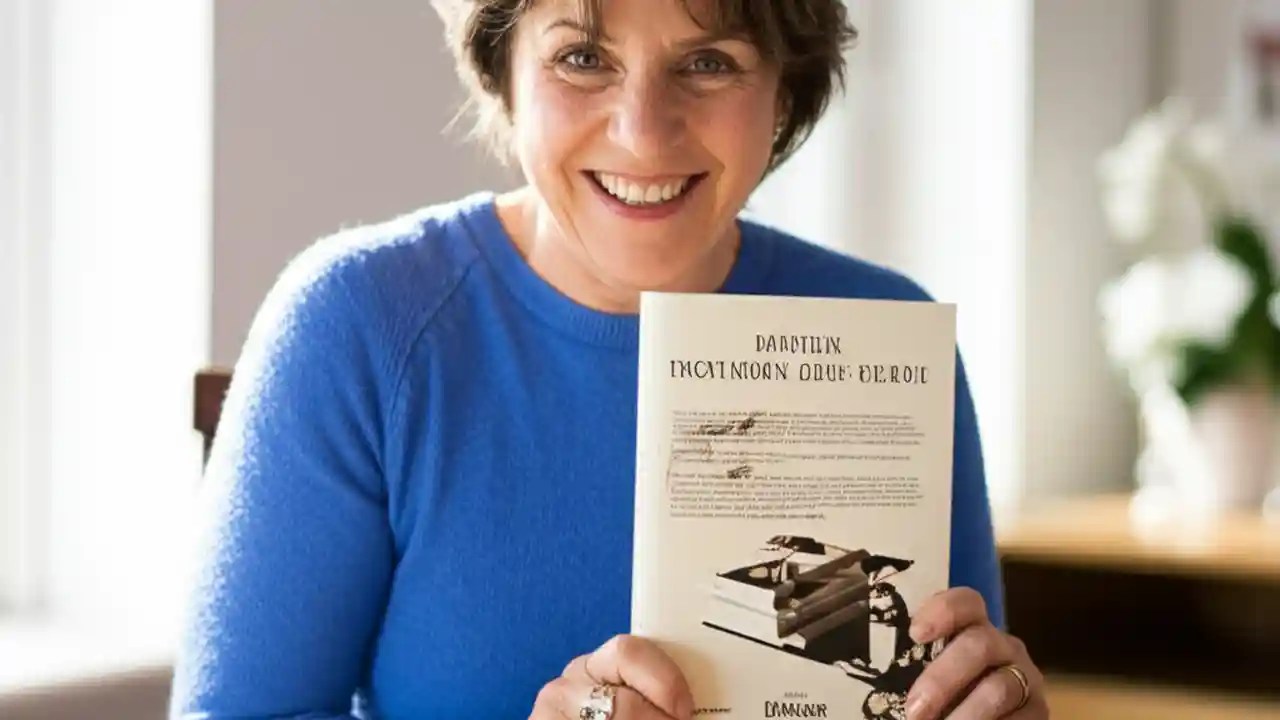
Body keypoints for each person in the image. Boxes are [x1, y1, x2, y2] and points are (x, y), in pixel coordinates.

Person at [169, 0, 1049, 718]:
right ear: (503, 72)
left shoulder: (887, 330)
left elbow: (944, 683)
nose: (643, 132)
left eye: (708, 61)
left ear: (786, 88)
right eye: (582, 58)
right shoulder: (359, 323)